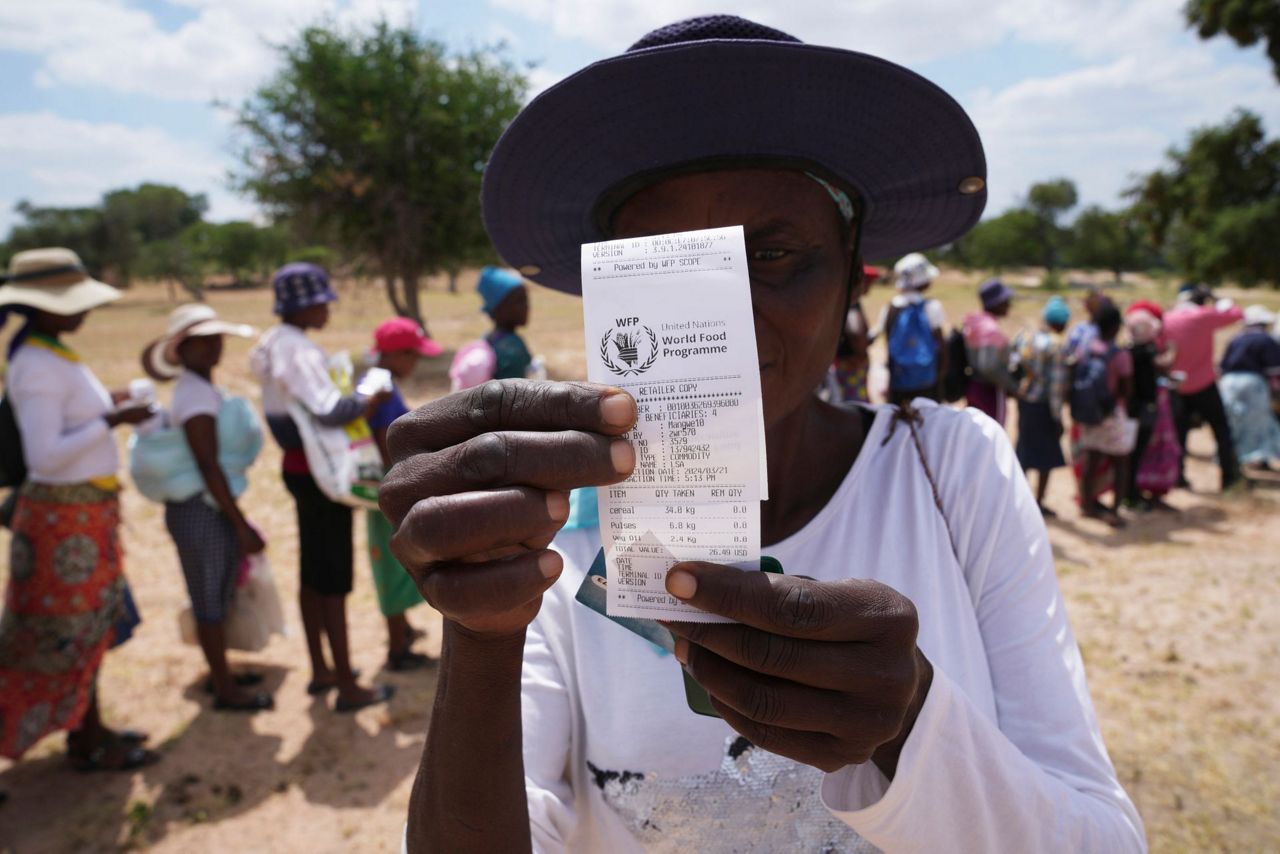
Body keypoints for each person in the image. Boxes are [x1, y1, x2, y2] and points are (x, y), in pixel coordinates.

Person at [384, 16, 1143, 852]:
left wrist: (911, 725)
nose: (726, 320)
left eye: (775, 254)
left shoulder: (953, 468)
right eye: (668, 264)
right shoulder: (551, 529)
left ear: (852, 272)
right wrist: (483, 630)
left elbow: (1104, 838)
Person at [0, 247, 159, 769]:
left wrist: (109, 405)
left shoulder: (48, 353)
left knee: (85, 632)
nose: (84, 310)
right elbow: (46, 455)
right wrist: (113, 421)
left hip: (80, 518)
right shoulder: (36, 364)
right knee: (66, 636)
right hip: (62, 521)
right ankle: (87, 738)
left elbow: (68, 420)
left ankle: (89, 730)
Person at [250, 262, 393, 711]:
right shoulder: (298, 349)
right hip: (321, 473)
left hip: (297, 467)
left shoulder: (273, 342)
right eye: (322, 303)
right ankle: (349, 687)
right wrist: (372, 398)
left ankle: (321, 668)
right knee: (333, 579)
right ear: (306, 305)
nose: (328, 311)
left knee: (313, 572)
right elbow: (332, 411)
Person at [139, 304, 273, 711]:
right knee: (209, 602)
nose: (214, 346)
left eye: (217, 337)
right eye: (202, 341)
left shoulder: (199, 388)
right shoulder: (195, 396)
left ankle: (223, 675)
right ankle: (225, 688)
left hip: (204, 508)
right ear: (181, 350)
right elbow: (207, 463)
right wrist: (239, 524)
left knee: (215, 594)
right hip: (202, 511)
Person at [363, 318, 433, 671]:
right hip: (386, 492)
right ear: (395, 354)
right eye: (413, 355)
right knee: (393, 564)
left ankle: (402, 629)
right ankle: (397, 650)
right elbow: (383, 443)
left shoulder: (376, 381)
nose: (415, 363)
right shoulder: (383, 387)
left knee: (395, 558)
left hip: (381, 490)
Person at [1164, 282, 1243, 490]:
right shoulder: (1203, 316)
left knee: (1179, 434)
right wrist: (1216, 298)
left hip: (1177, 386)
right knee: (1221, 431)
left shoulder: (1167, 318)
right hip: (1204, 384)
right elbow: (1236, 313)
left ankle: (1177, 476)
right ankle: (1229, 477)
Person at [1076, 304, 1137, 527]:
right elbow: (1126, 389)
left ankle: (1087, 505)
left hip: (1089, 414)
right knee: (1120, 462)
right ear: (1116, 327)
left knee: (1091, 459)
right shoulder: (1120, 355)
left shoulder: (1086, 349)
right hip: (1111, 413)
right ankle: (1114, 511)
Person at [1012, 296, 1070, 516]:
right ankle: (1037, 501)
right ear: (1061, 323)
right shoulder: (1056, 346)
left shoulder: (1025, 337)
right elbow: (1056, 387)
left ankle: (1017, 500)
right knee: (1046, 456)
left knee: (1024, 450)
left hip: (1025, 402)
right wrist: (1058, 418)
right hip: (1044, 406)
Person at [1124, 301, 1180, 510]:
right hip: (1145, 408)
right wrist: (1173, 352)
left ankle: (1129, 493)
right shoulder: (1147, 352)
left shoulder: (1128, 351)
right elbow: (1163, 366)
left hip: (1130, 408)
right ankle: (1133, 495)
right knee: (1139, 451)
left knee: (1131, 452)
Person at [871, 253, 947, 404]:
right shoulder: (931, 307)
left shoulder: (890, 308)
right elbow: (941, 344)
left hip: (899, 380)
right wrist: (942, 373)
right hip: (928, 382)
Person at [1218, 305, 1280, 470]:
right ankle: (1257, 458)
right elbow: (1274, 369)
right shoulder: (1266, 339)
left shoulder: (1236, 338)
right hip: (1253, 382)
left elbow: (1223, 365)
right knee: (1256, 422)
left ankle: (1230, 455)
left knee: (1232, 418)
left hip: (1228, 382)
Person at [962, 278, 1019, 425]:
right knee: (993, 436)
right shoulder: (989, 329)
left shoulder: (975, 322)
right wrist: (1012, 386)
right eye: (1006, 301)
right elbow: (989, 366)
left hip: (973, 385)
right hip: (989, 391)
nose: (1009, 305)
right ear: (997, 303)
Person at [827, 264, 878, 404]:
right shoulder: (851, 304)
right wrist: (861, 355)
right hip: (851, 363)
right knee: (854, 402)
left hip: (842, 362)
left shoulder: (841, 300)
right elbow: (856, 332)